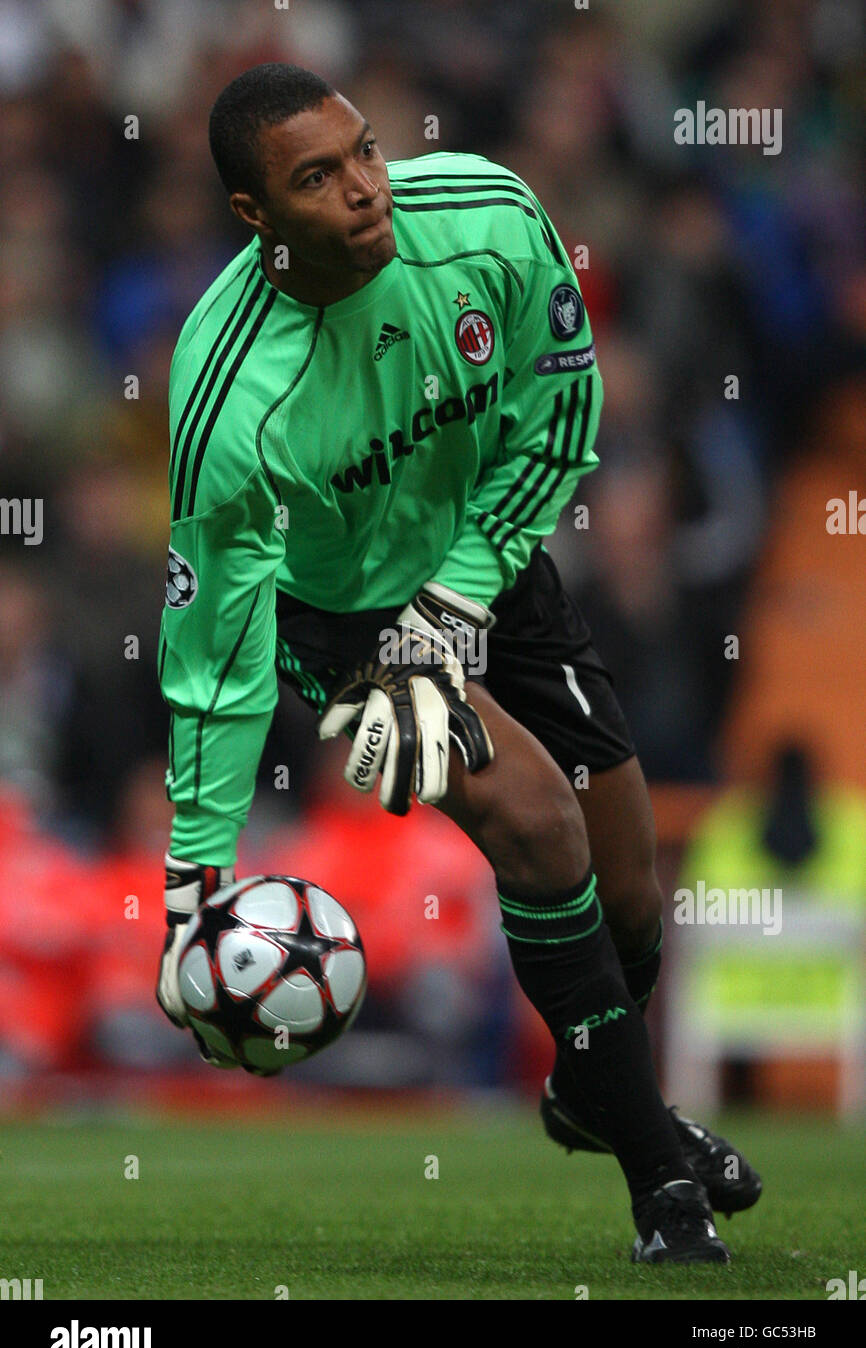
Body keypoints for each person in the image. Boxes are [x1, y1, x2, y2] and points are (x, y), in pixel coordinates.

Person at [156, 63, 760, 1265]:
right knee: (538, 827)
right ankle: (661, 1187)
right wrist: (193, 881)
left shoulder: (486, 216)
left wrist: (460, 596)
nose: (364, 191)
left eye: (364, 154)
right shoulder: (227, 400)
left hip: (493, 563)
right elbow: (214, 650)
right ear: (253, 215)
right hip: (344, 629)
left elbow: (562, 406)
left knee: (632, 896)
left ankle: (592, 1093)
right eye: (315, 180)